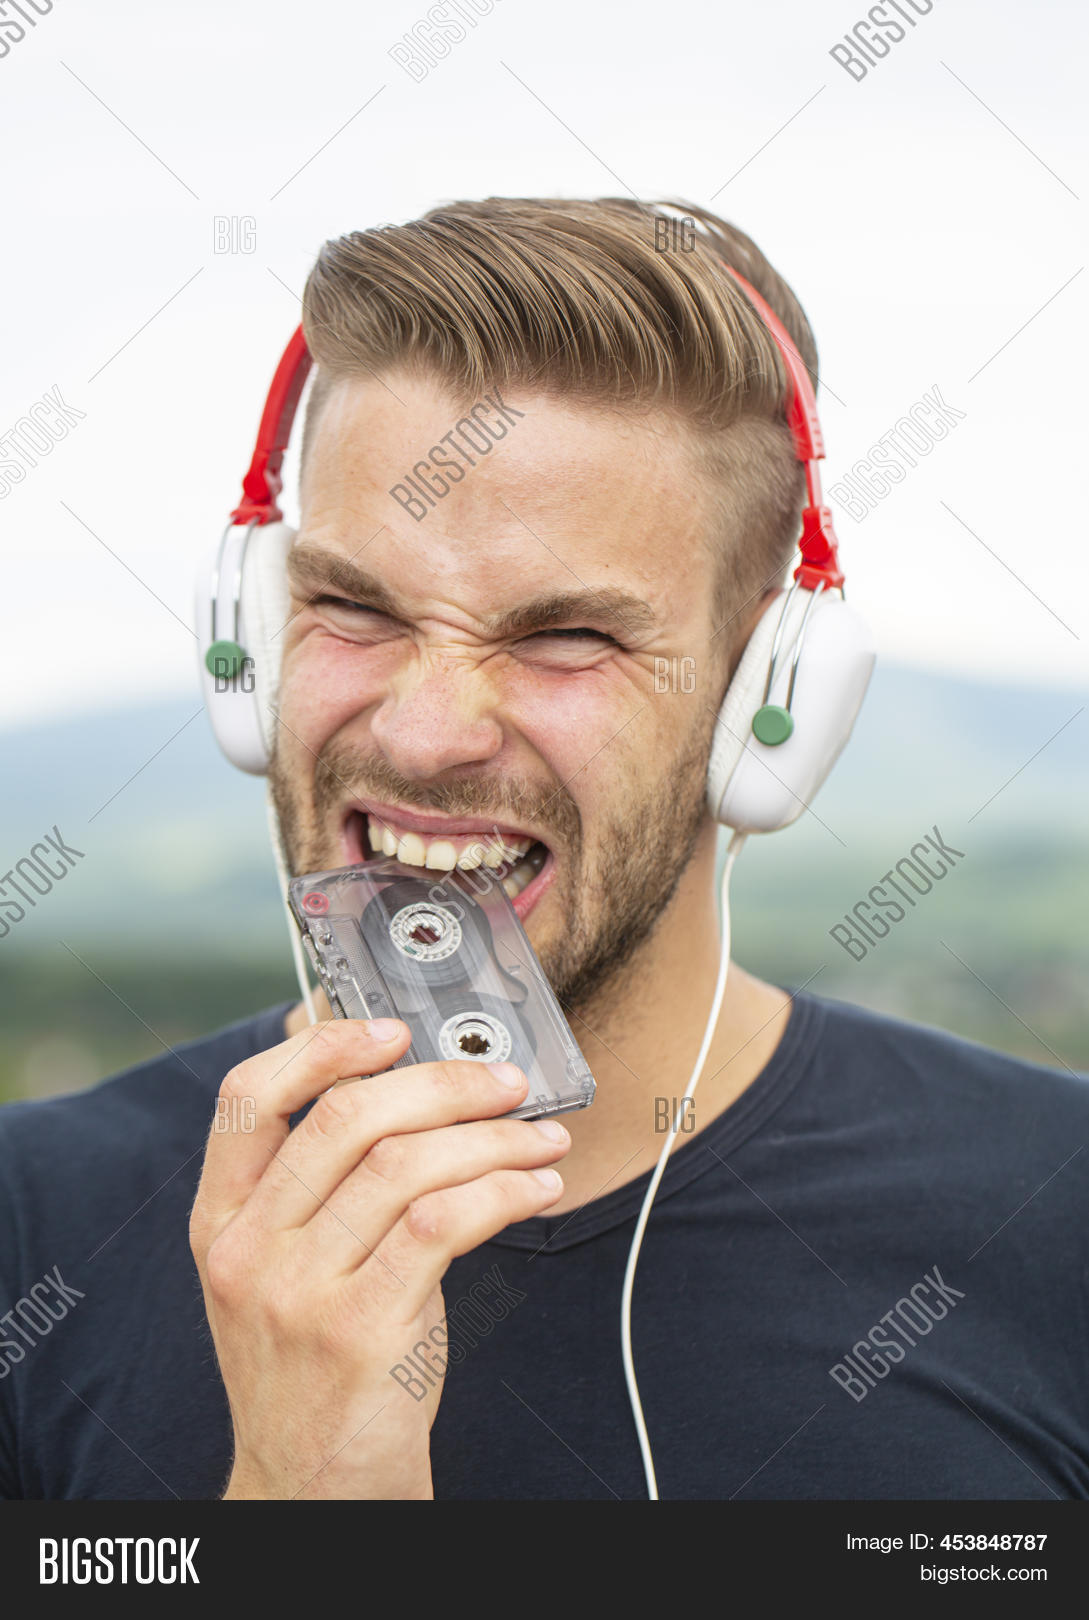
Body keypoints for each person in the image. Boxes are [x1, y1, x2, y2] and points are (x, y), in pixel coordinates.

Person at [2, 197, 1086, 1501]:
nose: (422, 731)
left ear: (768, 707)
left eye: (566, 636)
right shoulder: (30, 1225)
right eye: (351, 606)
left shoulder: (1055, 1211)